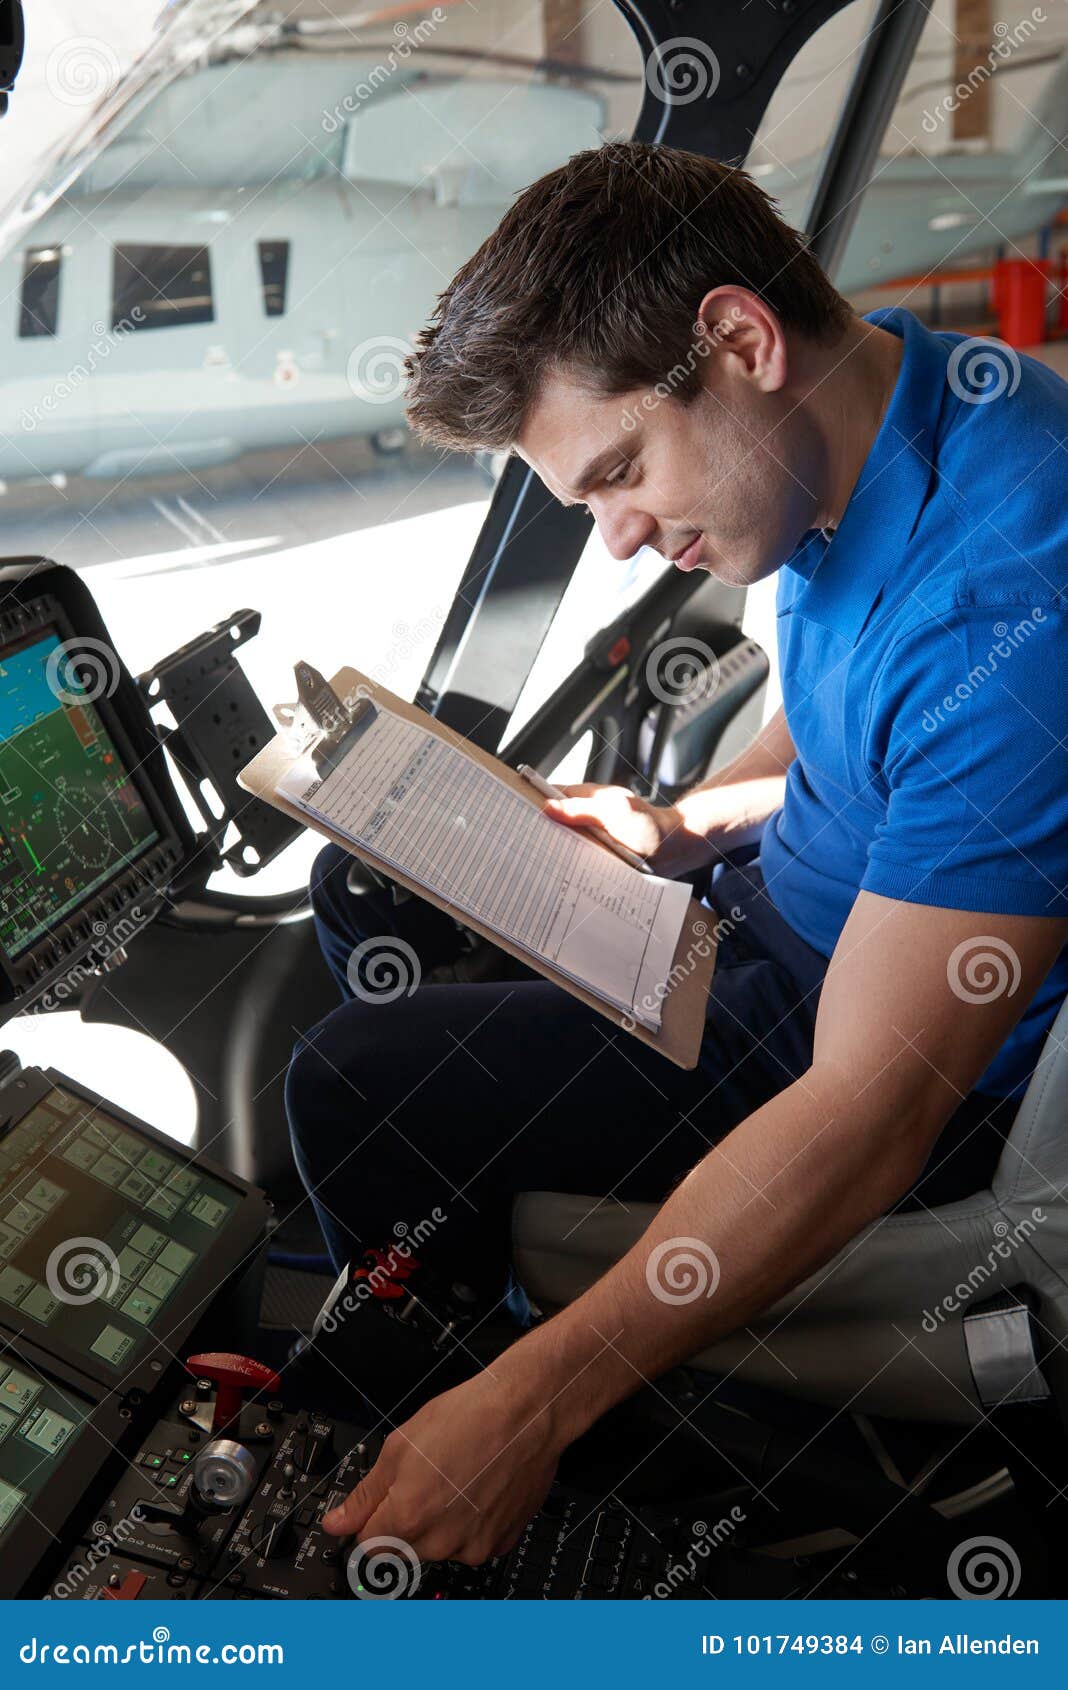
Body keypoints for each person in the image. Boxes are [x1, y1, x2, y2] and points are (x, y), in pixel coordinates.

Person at [284, 141, 1068, 1568]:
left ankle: (509, 1480)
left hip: (860, 1036)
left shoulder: (1011, 599)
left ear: (741, 341)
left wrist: (533, 1400)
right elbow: (845, 733)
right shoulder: (888, 409)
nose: (626, 537)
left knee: (357, 1089)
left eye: (622, 473)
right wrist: (676, 824)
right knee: (377, 890)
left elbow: (872, 1112)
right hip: (777, 918)